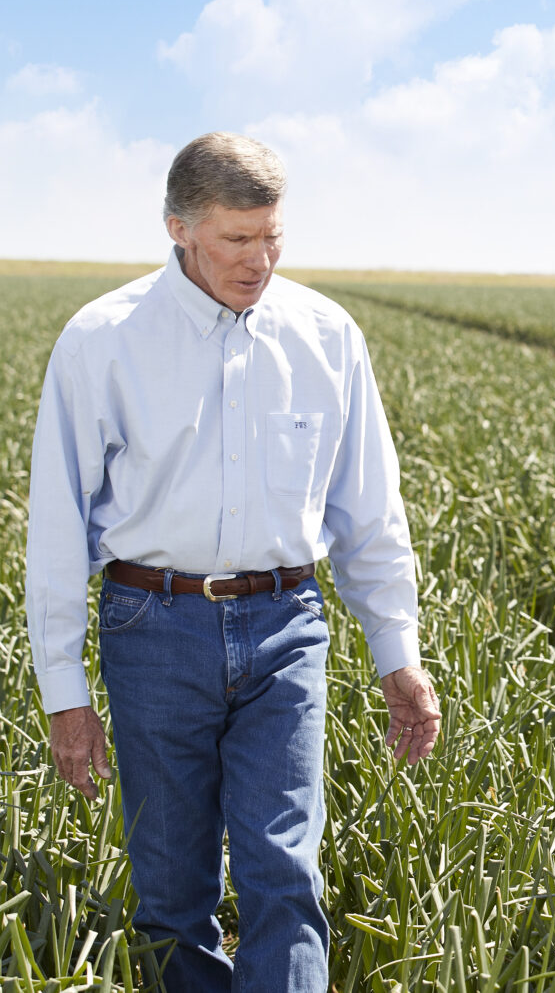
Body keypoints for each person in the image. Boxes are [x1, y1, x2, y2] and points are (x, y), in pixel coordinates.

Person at [24, 132, 442, 992]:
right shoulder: (102, 340)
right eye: (235, 240)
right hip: (152, 628)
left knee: (285, 876)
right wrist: (65, 694)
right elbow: (58, 527)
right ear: (178, 227)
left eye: (272, 237)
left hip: (287, 624)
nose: (259, 261)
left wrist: (397, 651)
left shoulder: (328, 336)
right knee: (173, 892)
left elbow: (368, 510)